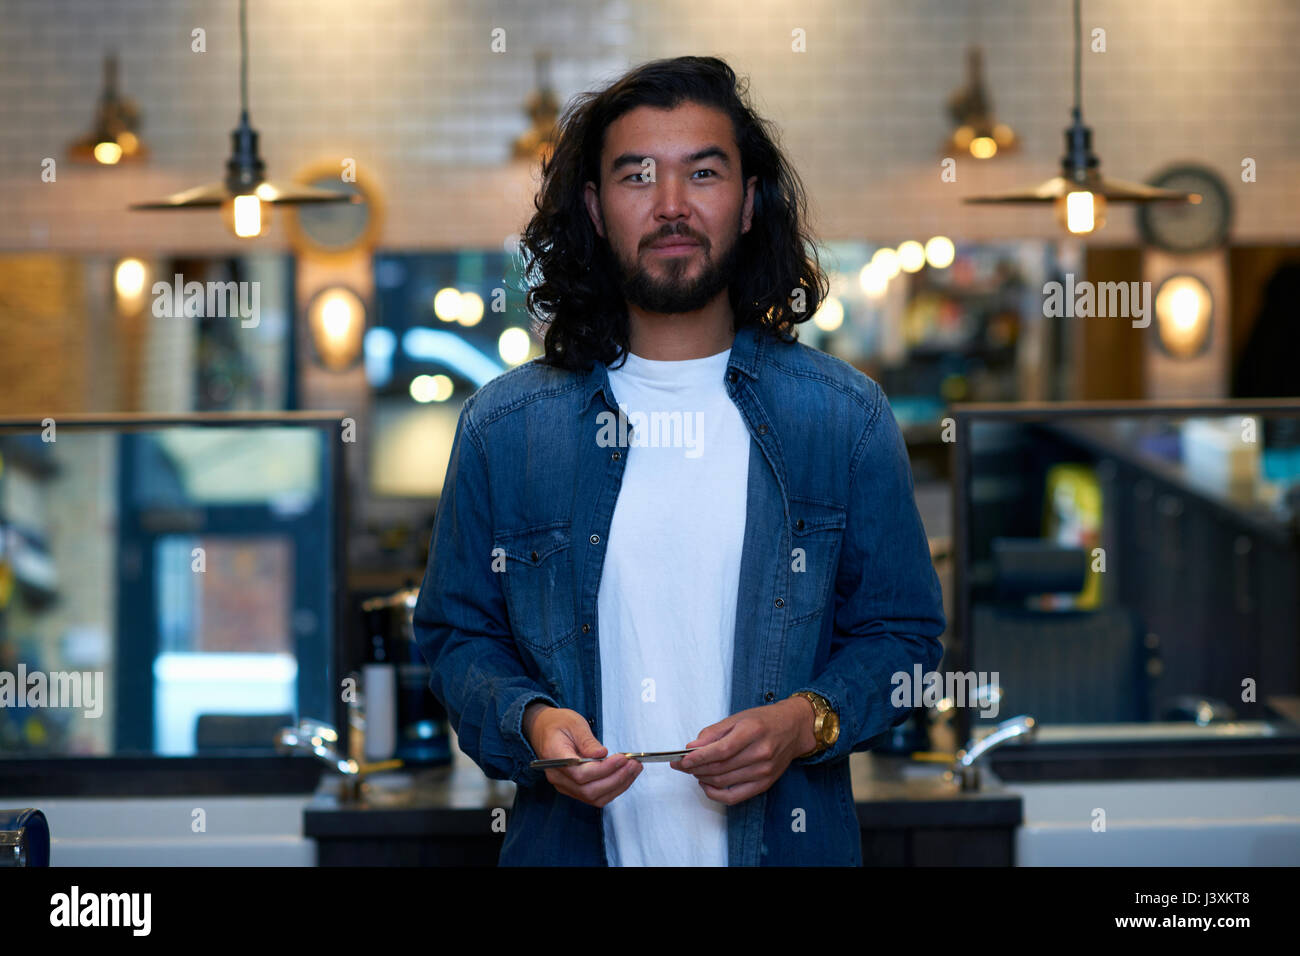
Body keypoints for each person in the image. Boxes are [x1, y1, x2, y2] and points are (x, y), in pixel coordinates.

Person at [413, 55, 945, 866]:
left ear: (748, 202)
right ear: (594, 208)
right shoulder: (506, 428)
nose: (670, 206)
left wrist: (805, 721)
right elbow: (457, 636)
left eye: (702, 172)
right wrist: (531, 722)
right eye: (636, 176)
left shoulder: (843, 420)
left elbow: (904, 638)